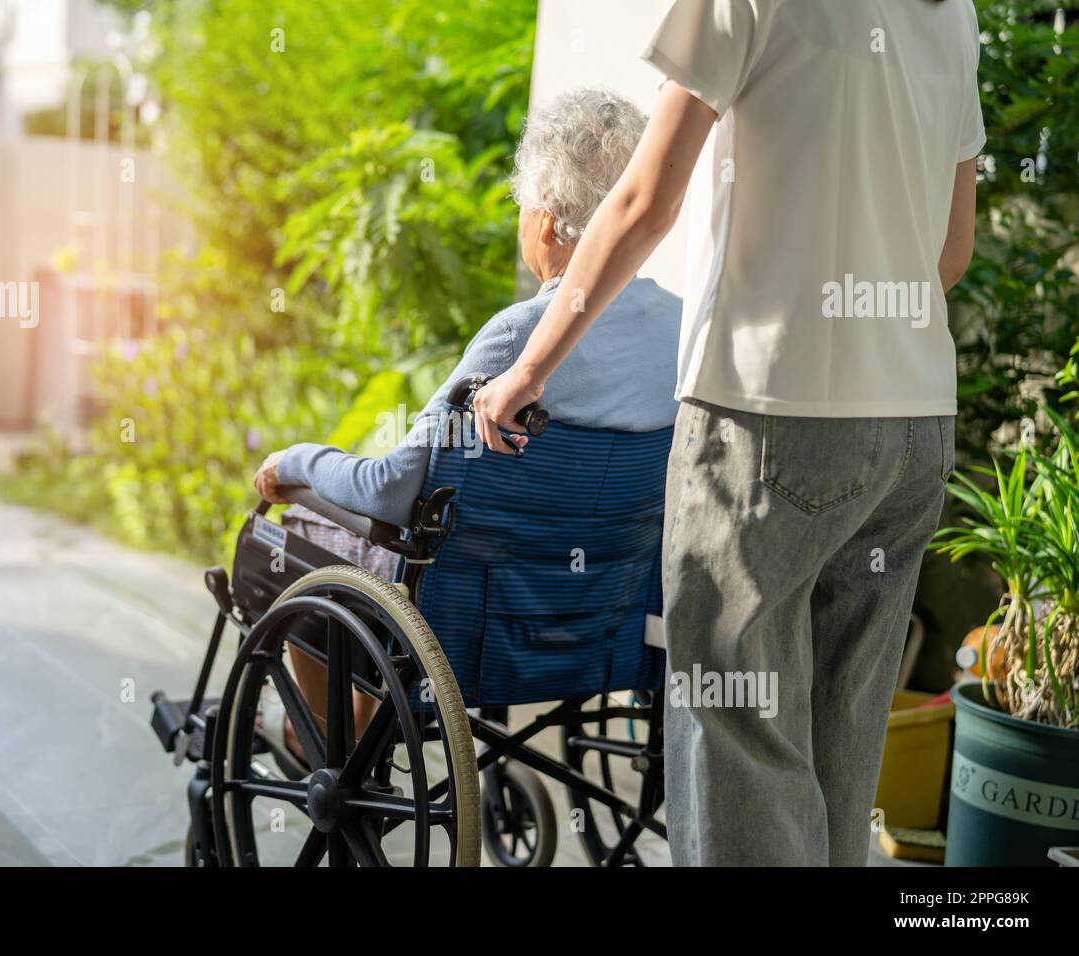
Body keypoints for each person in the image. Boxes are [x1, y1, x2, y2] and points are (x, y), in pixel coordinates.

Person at [472, 0, 983, 866]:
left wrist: (530, 369)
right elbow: (950, 249)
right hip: (914, 426)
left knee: (740, 732)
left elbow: (640, 199)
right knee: (840, 739)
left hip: (771, 416)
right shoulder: (952, 11)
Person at [252, 87, 683, 759]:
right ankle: (360, 720)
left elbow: (391, 491)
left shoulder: (521, 339)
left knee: (287, 535)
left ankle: (324, 737)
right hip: (601, 619)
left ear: (544, 223)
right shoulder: (684, 331)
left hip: (471, 623)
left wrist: (297, 460)